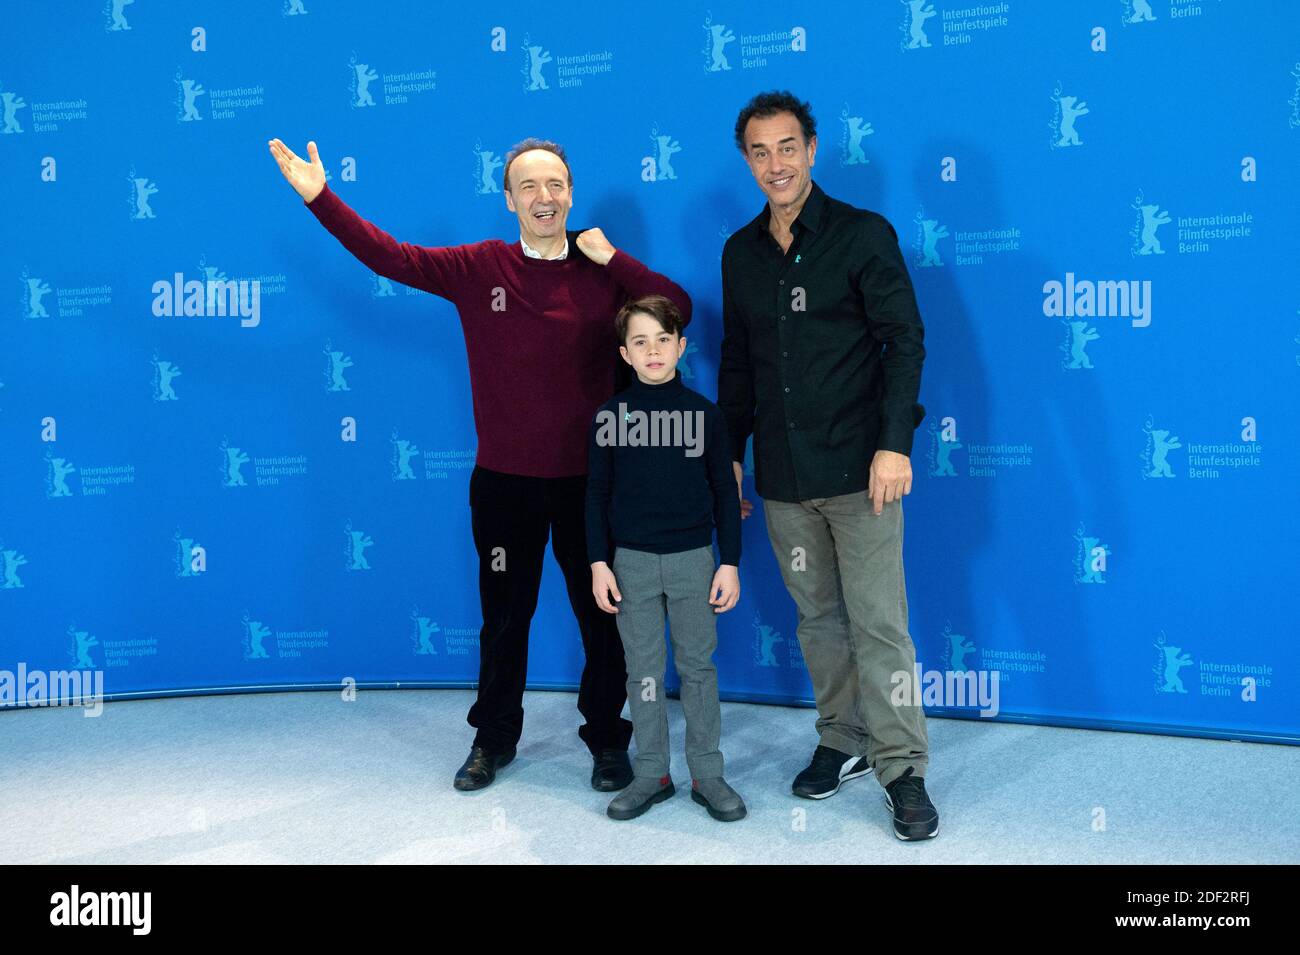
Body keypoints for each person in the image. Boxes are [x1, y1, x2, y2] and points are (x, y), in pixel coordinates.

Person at [267, 135, 692, 793]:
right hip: (505, 485)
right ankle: (493, 738)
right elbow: (390, 257)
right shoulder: (480, 267)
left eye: (555, 185)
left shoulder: (602, 269)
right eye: (529, 186)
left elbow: (676, 311)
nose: (544, 197)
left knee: (604, 621)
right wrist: (321, 196)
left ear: (571, 193)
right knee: (504, 617)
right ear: (508, 198)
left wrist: (611, 255)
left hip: (595, 485)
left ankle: (609, 740)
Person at [717, 91, 939, 840]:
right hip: (783, 477)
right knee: (819, 619)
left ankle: (902, 766)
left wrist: (895, 442)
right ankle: (842, 738)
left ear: (813, 149)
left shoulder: (862, 235)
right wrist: (732, 456)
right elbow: (739, 362)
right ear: (747, 161)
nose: (775, 164)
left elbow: (903, 341)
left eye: (787, 147)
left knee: (881, 624)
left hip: (860, 470)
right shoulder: (740, 253)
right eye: (759, 151)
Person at [586, 295, 744, 821]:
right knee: (643, 670)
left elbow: (724, 490)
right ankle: (651, 772)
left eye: (662, 339)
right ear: (625, 355)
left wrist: (729, 562)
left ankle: (708, 773)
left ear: (680, 346)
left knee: (698, 667)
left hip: (694, 560)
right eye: (639, 341)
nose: (652, 350)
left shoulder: (705, 415)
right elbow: (596, 494)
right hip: (630, 562)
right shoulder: (611, 417)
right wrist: (598, 562)